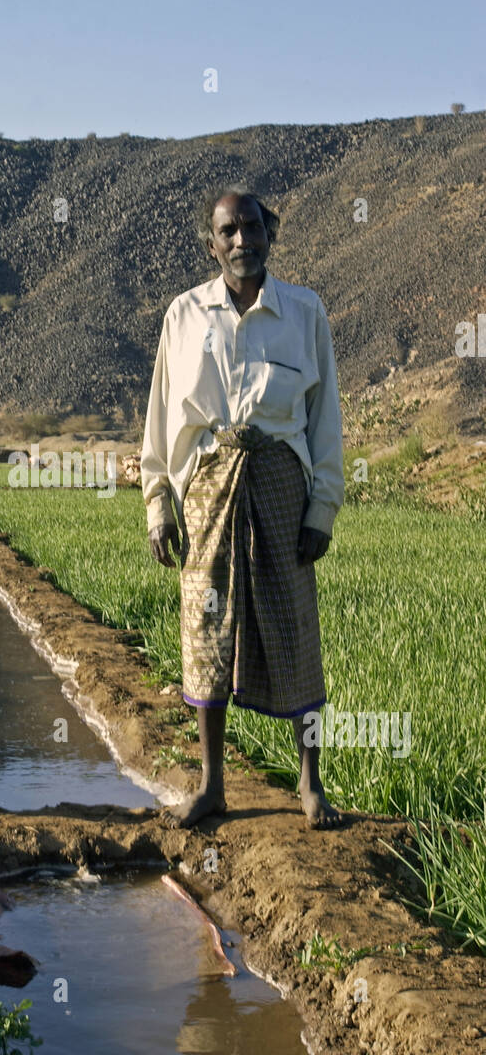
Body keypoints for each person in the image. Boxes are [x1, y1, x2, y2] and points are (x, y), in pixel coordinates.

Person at [140, 187, 345, 829]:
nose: (241, 241)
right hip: (206, 490)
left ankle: (310, 785)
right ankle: (211, 784)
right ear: (212, 243)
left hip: (282, 485)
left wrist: (321, 511)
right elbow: (160, 418)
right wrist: (158, 504)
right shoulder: (183, 316)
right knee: (207, 630)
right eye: (228, 231)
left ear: (269, 234)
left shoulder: (305, 313)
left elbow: (325, 421)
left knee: (294, 624)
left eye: (251, 228)